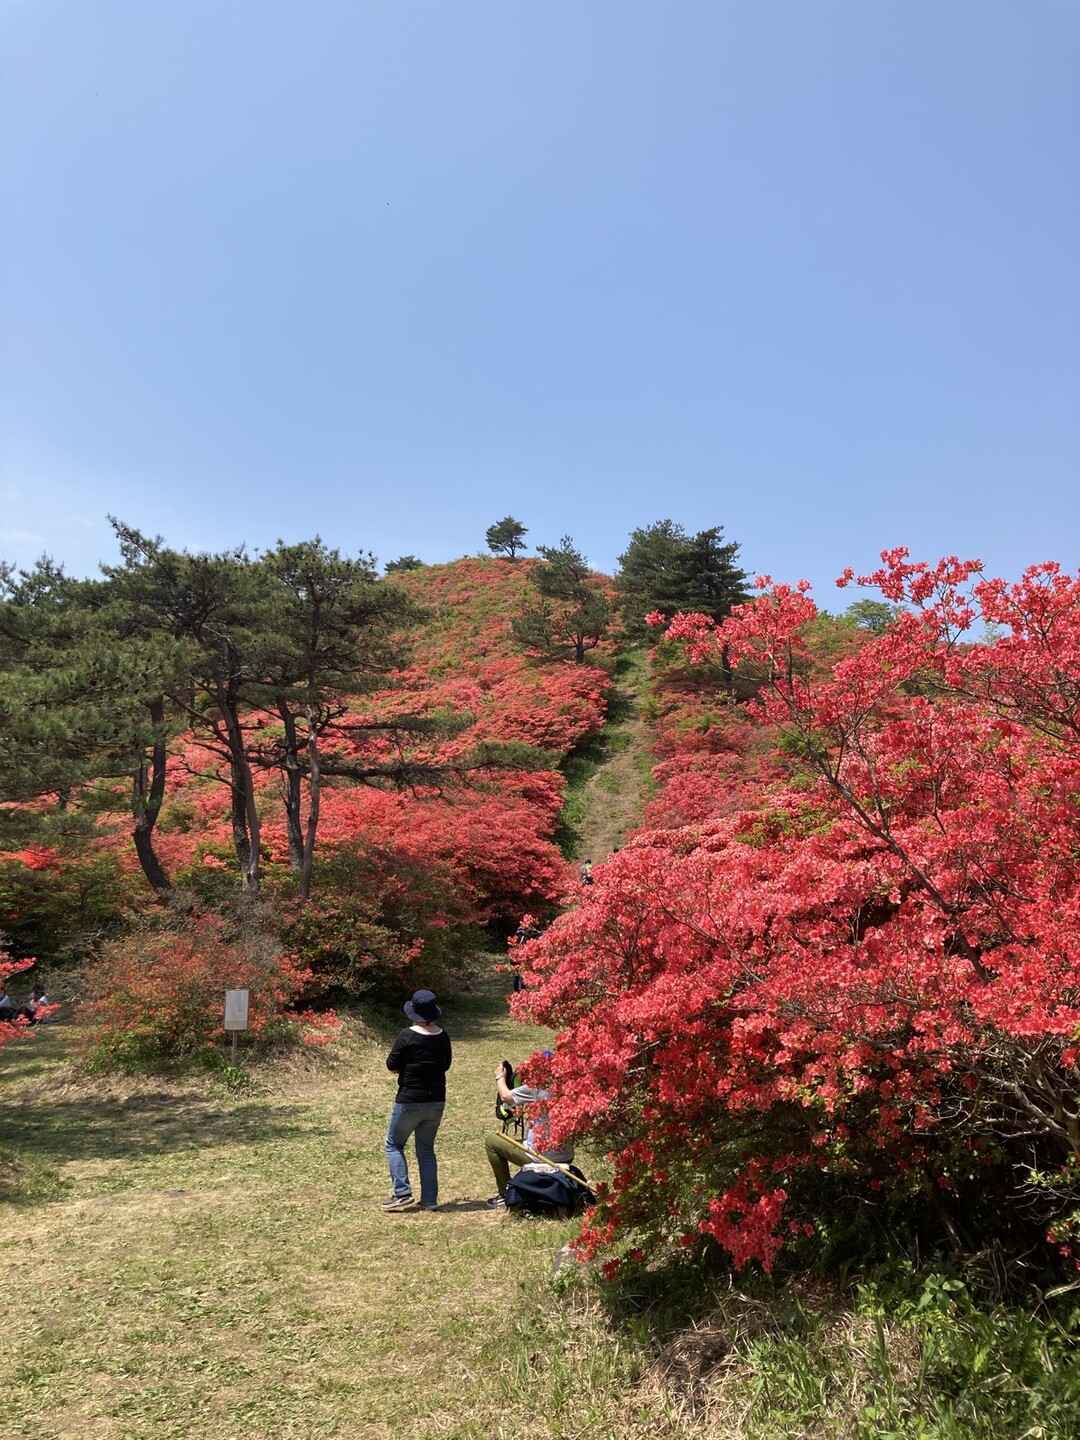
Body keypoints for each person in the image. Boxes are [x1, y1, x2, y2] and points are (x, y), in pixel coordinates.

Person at [383, 989, 452, 1213]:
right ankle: (430, 1199)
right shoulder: (443, 1035)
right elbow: (445, 1065)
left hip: (409, 1100)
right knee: (426, 1149)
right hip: (436, 1101)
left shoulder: (407, 1035)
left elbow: (391, 1064)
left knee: (394, 1144)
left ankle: (402, 1192)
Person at [484, 1052, 574, 1209]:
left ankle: (505, 1193)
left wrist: (500, 1076)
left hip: (541, 1157)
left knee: (492, 1141)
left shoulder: (537, 1089)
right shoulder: (569, 1086)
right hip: (566, 1156)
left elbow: (505, 1096)